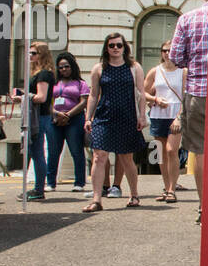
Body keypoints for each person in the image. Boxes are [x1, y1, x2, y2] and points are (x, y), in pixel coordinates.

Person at [82, 32, 147, 212]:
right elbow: (93, 95)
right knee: (99, 156)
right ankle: (97, 199)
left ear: (124, 47)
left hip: (127, 116)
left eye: (119, 45)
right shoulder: (99, 68)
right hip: (104, 117)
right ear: (106, 48)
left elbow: (141, 94)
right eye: (112, 46)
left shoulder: (134, 67)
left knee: (126, 158)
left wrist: (142, 116)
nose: (116, 48)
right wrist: (89, 117)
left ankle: (134, 194)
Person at [168, 0, 208, 223]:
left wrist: (194, 62)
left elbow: (175, 58)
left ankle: (205, 207)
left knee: (201, 152)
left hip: (197, 92)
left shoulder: (187, 18)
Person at [143, 42, 185, 203]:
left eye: (171, 50)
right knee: (161, 153)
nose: (167, 53)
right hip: (158, 114)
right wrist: (155, 99)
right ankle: (167, 188)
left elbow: (186, 96)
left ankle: (172, 189)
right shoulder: (155, 71)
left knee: (171, 150)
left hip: (175, 114)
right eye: (164, 51)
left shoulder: (183, 71)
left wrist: (179, 117)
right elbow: (142, 92)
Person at [46, 51, 89, 192]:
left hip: (75, 119)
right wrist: (56, 113)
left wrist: (68, 115)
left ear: (73, 67)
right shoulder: (54, 83)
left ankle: (79, 182)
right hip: (55, 119)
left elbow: (84, 102)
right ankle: (50, 183)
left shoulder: (80, 83)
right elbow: (47, 101)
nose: (64, 69)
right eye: (61, 67)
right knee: (53, 151)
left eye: (67, 66)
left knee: (76, 151)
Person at [26, 43, 56, 200]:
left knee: (37, 151)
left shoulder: (44, 74)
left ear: (41, 55)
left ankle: (39, 189)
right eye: (29, 53)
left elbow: (41, 97)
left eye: (34, 53)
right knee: (34, 151)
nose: (30, 56)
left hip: (40, 116)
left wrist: (23, 97)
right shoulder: (40, 73)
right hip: (40, 115)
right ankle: (38, 188)